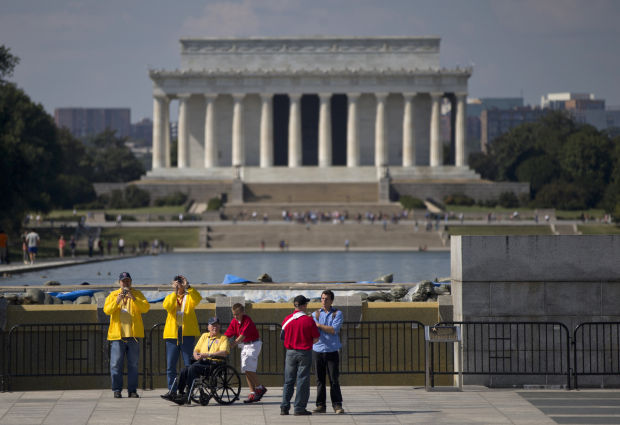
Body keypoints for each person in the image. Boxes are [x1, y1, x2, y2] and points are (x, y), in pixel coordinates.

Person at [103, 272, 150, 399]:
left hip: (133, 336)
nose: (126, 283)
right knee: (115, 364)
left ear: (131, 282)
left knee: (133, 365)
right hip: (118, 336)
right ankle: (117, 390)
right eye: (123, 281)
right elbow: (107, 310)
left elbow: (146, 308)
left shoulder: (137, 294)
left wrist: (133, 298)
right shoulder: (113, 295)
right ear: (119, 283)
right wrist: (118, 300)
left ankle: (132, 390)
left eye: (128, 281)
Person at [167, 317, 230, 405]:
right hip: (202, 361)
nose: (214, 327)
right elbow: (196, 349)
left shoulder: (223, 338)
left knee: (193, 368)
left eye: (217, 325)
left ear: (219, 326)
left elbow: (224, 352)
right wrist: (196, 355)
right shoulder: (204, 336)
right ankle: (180, 393)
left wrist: (208, 354)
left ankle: (188, 394)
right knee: (184, 370)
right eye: (212, 325)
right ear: (208, 327)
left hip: (214, 363)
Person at [160, 275, 202, 399]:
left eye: (180, 283)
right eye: (177, 283)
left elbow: (198, 299)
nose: (179, 285)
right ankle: (172, 390)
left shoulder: (189, 297)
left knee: (189, 364)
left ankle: (188, 390)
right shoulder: (170, 297)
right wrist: (174, 291)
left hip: (187, 334)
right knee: (171, 366)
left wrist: (187, 286)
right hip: (172, 335)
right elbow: (167, 306)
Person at [280, 295, 319, 416]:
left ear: (294, 305)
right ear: (303, 306)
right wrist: (307, 342)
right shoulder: (308, 320)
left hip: (290, 352)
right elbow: (316, 338)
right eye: (306, 304)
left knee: (288, 381)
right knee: (302, 380)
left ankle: (284, 407)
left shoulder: (287, 319)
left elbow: (282, 336)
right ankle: (299, 408)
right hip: (304, 352)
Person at [225, 303, 267, 403]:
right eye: (234, 314)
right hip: (244, 345)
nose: (235, 316)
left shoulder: (247, 320)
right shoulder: (234, 321)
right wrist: (221, 341)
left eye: (237, 314)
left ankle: (260, 388)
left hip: (253, 344)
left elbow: (242, 336)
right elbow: (228, 333)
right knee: (245, 368)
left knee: (249, 367)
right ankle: (253, 393)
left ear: (243, 312)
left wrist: (233, 344)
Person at [312, 290, 345, 414]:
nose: (323, 301)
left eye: (326, 299)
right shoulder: (315, 314)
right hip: (317, 350)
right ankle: (321, 405)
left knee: (334, 379)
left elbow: (333, 330)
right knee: (319, 380)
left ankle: (337, 405)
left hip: (331, 351)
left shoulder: (337, 313)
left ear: (331, 301)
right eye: (322, 298)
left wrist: (319, 326)